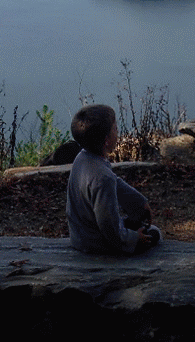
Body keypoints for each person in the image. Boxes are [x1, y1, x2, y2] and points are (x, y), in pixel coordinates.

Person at [66, 104, 161, 254]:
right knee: (154, 233)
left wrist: (139, 203)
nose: (118, 131)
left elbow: (116, 182)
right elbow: (108, 226)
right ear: (106, 141)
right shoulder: (103, 178)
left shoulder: (83, 157)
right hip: (95, 244)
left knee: (136, 221)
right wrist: (134, 238)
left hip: (79, 235)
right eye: (115, 129)